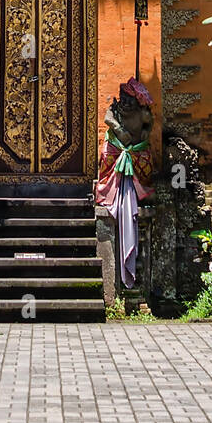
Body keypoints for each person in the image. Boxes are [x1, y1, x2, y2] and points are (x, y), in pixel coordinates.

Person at [94, 79, 154, 288]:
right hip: (116, 148)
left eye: (130, 100)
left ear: (138, 103)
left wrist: (145, 132)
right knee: (106, 155)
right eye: (123, 99)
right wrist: (119, 129)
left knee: (146, 164)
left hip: (135, 151)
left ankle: (141, 189)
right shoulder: (115, 110)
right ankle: (106, 190)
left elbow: (149, 122)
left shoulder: (143, 114)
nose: (126, 104)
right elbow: (108, 118)